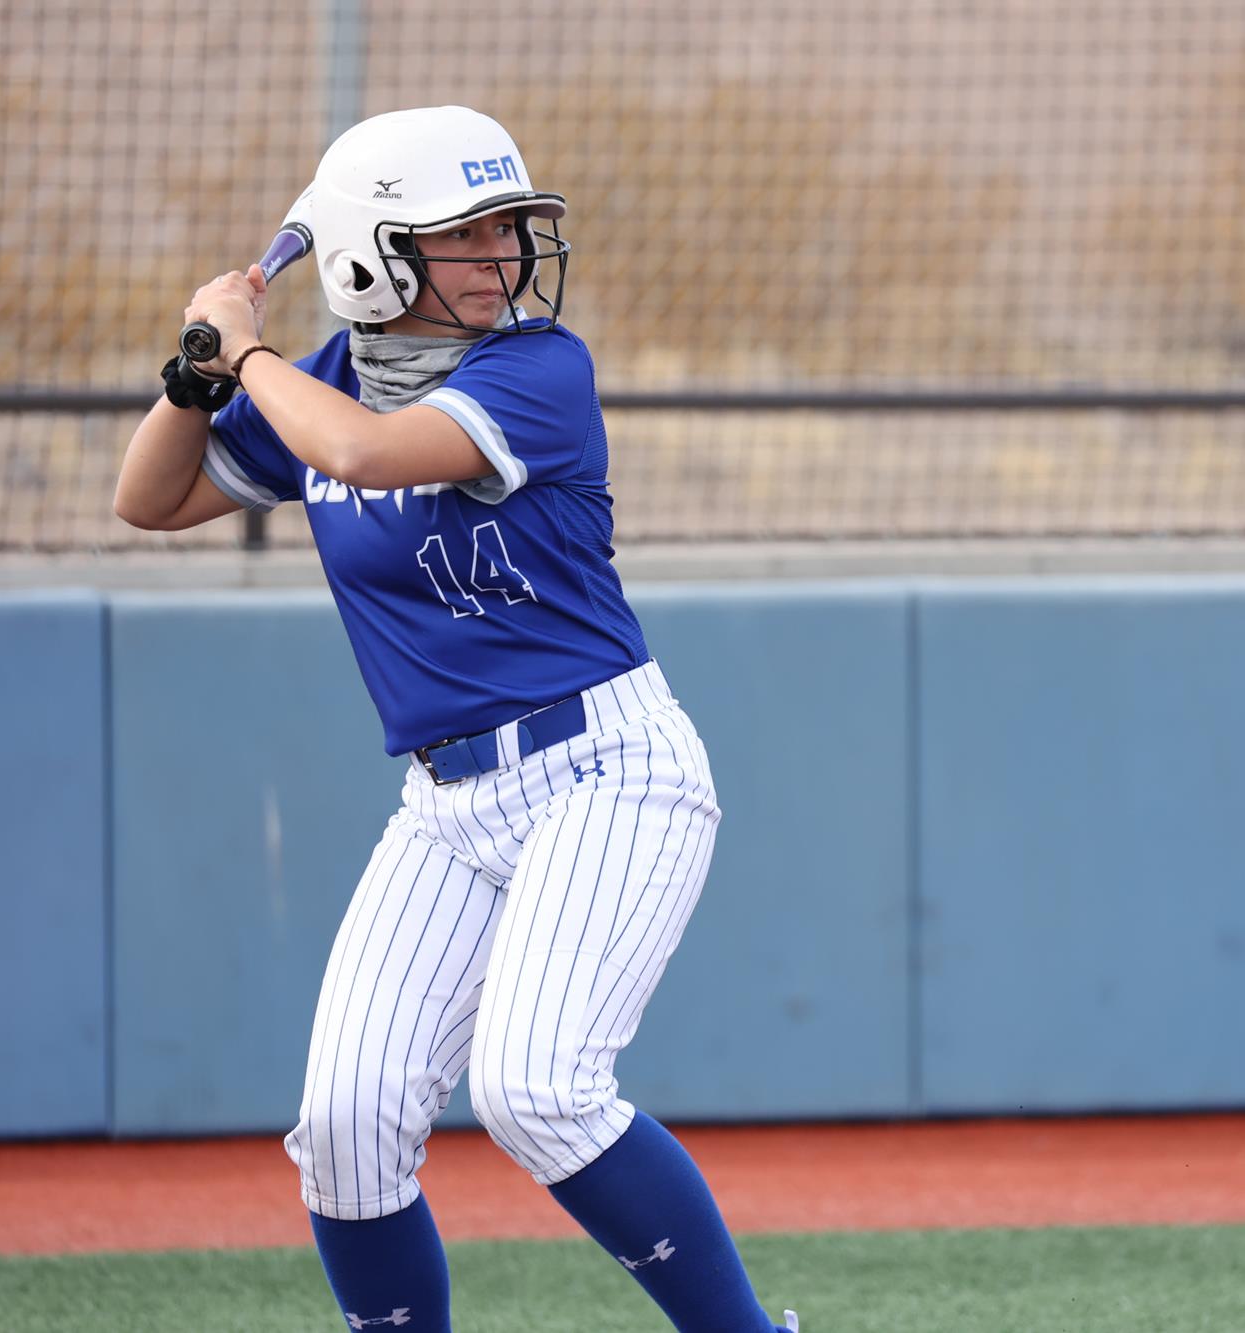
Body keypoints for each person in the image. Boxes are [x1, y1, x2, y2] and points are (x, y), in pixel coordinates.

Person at [116, 105, 796, 1333]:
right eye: (468, 236)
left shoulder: (538, 369)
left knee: (536, 1089)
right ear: (375, 255)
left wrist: (250, 357)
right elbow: (147, 499)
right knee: (346, 1121)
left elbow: (372, 456)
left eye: (506, 229)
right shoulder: (318, 382)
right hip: (444, 804)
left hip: (606, 772)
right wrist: (196, 370)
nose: (504, 257)